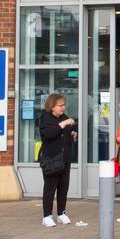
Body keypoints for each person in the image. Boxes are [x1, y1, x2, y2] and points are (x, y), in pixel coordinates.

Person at [37, 92, 77, 228]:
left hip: (64, 158)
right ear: (52, 106)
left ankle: (61, 213)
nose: (63, 108)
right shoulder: (45, 118)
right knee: (50, 188)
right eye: (60, 105)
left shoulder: (63, 117)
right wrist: (63, 124)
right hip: (51, 158)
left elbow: (68, 130)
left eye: (64, 105)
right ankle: (46, 216)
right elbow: (48, 134)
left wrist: (72, 132)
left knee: (63, 187)